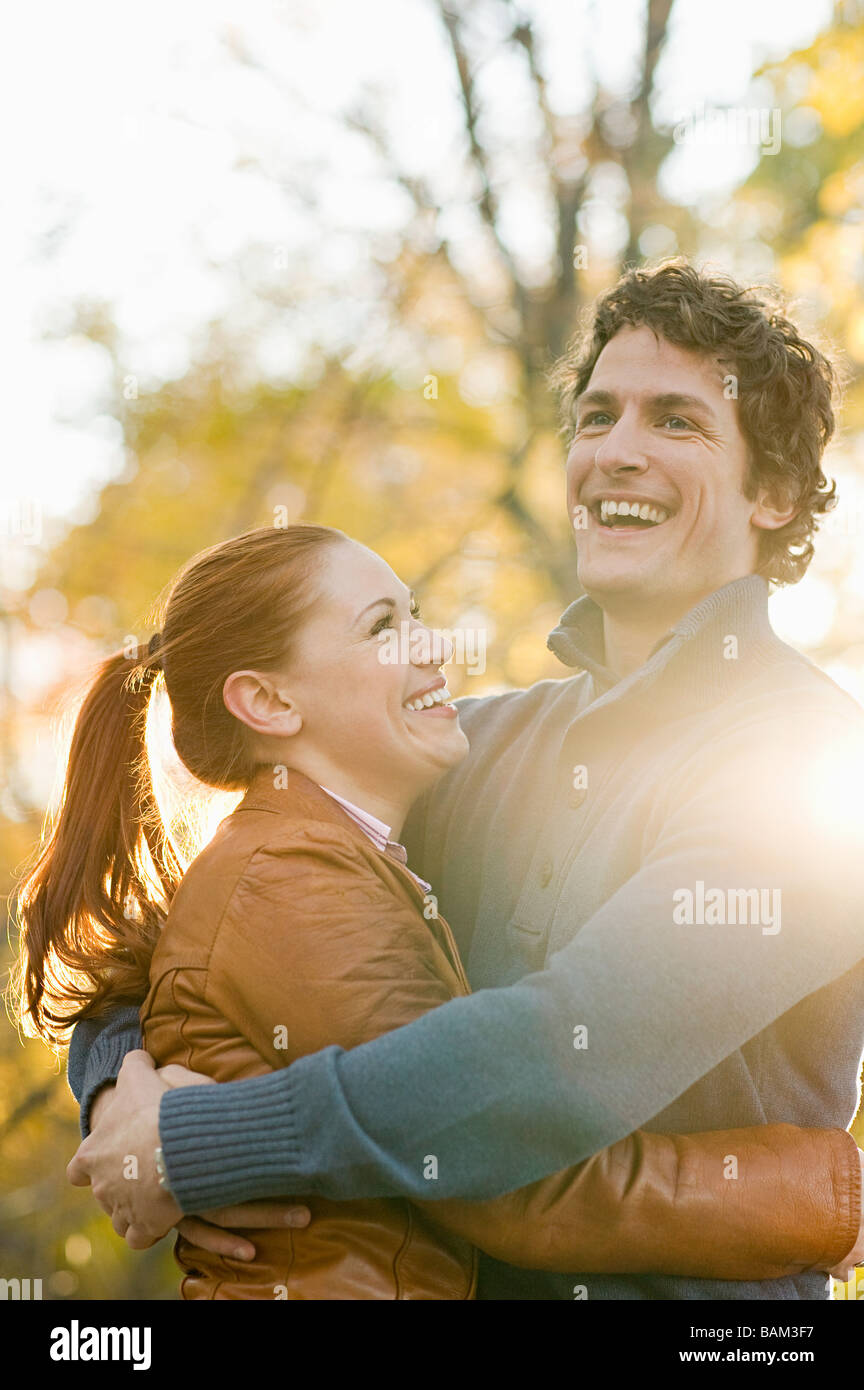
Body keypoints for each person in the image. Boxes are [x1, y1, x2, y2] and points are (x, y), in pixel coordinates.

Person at [46, 261, 864, 1300]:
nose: (615, 451)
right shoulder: (474, 747)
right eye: (598, 415)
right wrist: (125, 1093)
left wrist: (207, 1140)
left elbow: (550, 1065)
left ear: (776, 491)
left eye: (677, 422)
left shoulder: (812, 767)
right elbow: (185, 938)